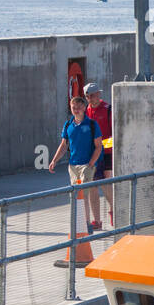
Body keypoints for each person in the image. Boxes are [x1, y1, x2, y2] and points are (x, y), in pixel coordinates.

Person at [47, 96, 103, 230]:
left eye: (79, 107)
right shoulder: (68, 125)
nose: (76, 110)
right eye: (74, 108)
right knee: (77, 195)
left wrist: (91, 164)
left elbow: (98, 146)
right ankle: (80, 224)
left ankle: (87, 224)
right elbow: (63, 145)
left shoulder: (92, 124)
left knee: (85, 193)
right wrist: (54, 160)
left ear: (84, 108)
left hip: (86, 166)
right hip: (73, 166)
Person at [83, 83, 114, 225]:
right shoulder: (85, 111)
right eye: (87, 96)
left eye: (93, 95)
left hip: (107, 153)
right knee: (92, 186)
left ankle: (114, 210)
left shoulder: (108, 109)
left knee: (106, 183)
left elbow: (116, 135)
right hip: (91, 154)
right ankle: (96, 220)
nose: (90, 98)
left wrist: (102, 146)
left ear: (99, 94)